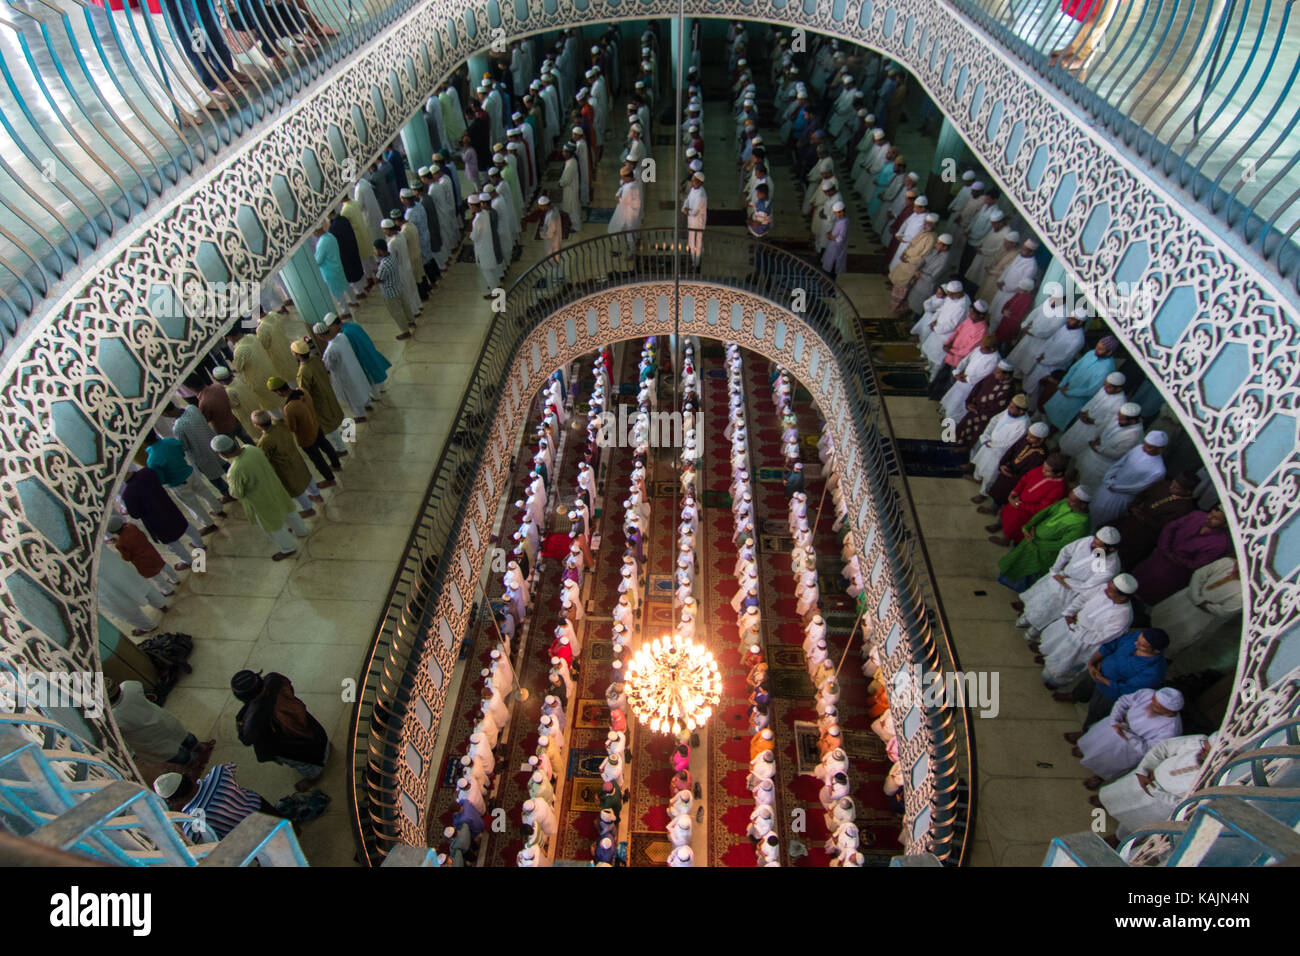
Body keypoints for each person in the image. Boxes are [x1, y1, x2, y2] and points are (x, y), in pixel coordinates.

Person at [212, 434, 310, 559]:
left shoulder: (235, 470)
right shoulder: (251, 448)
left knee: (273, 525)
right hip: (276, 488)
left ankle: (287, 548)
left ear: (223, 454)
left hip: (261, 500)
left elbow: (236, 493)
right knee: (289, 510)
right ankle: (301, 531)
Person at [230, 669, 330, 791]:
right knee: (320, 744)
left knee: (306, 763)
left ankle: (313, 778)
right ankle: (327, 750)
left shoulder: (255, 720)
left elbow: (247, 739)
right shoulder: (274, 679)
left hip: (296, 747)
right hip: (309, 727)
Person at [1097, 734, 1212, 838]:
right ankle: (1103, 803)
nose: (1201, 751)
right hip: (1147, 776)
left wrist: (1156, 792)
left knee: (1137, 821)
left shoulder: (1212, 780)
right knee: (1118, 794)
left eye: (1206, 752)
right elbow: (1164, 747)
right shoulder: (1199, 742)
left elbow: (1189, 805)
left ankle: (1119, 837)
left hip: (1160, 803)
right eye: (1203, 747)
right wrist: (1144, 769)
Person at [1038, 573, 1138, 688]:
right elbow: (1083, 598)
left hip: (1084, 643)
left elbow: (1098, 638)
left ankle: (1055, 682)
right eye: (1108, 587)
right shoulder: (1103, 588)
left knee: (1065, 665)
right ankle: (1048, 662)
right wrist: (1070, 612)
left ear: (1122, 597)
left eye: (1111, 591)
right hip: (1072, 626)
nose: (1105, 591)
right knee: (1054, 648)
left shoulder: (1123, 617)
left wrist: (1075, 627)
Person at [1058, 628, 1171, 728]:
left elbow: (1129, 688)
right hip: (1098, 671)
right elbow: (1111, 645)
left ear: (1156, 651)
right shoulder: (1137, 637)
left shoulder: (1155, 671)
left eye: (1142, 645)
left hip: (1111, 692)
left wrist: (1103, 679)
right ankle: (1075, 696)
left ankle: (1086, 732)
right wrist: (1093, 662)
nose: (1136, 644)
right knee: (1086, 685)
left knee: (1097, 711)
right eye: (1138, 640)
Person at [1075, 687, 1184, 788]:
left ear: (1169, 712)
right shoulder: (1147, 694)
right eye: (1152, 701)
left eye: (1156, 707)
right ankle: (1084, 751)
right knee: (1093, 742)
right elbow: (1123, 701)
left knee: (1110, 764)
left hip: (1128, 748)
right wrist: (1115, 719)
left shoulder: (1171, 729)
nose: (1150, 705)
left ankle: (1099, 777)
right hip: (1112, 727)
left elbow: (1149, 750)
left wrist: (1127, 734)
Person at [997, 486, 1094, 591]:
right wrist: (1027, 527)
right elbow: (1045, 513)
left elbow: (1063, 544)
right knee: (1015, 564)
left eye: (1072, 501)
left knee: (1029, 576)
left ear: (1083, 505)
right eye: (1069, 498)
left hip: (1044, 554)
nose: (1068, 501)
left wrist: (1036, 543)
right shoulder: (1064, 503)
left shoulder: (1081, 524)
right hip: (1030, 542)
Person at [154, 765, 285, 843]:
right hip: (262, 809)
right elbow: (231, 766)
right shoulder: (219, 772)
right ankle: (292, 829)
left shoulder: (193, 821)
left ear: (175, 801)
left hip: (249, 838)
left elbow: (188, 842)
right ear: (187, 777)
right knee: (284, 826)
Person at [1133, 507, 1231, 605]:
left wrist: (1174, 558)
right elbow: (1170, 527)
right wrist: (1165, 547)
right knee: (1137, 579)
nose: (1209, 518)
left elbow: (1197, 564)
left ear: (1225, 524)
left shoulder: (1220, 543)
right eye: (1210, 513)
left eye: (1216, 519)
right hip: (1159, 557)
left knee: (1150, 593)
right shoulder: (1196, 515)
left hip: (1175, 572)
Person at [1151, 557, 1242, 659]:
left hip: (1201, 617)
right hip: (1185, 599)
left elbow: (1223, 612)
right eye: (1237, 566)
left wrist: (1200, 603)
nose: (1235, 570)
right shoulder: (1226, 562)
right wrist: (1197, 598)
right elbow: (1199, 574)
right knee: (1160, 619)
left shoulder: (1244, 594)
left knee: (1175, 638)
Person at [108, 677, 213, 765]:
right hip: (163, 721)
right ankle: (201, 748)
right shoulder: (129, 687)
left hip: (150, 740)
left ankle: (195, 763)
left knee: (175, 754)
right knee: (184, 736)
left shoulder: (114, 717)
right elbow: (137, 685)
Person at [1090, 431, 1169, 529]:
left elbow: (1140, 487)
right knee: (1093, 508)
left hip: (1121, 498)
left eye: (1149, 447)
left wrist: (1117, 487)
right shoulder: (1138, 449)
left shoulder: (1158, 470)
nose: (1144, 448)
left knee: (1105, 519)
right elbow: (1120, 463)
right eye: (1145, 444)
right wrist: (1109, 477)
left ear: (1160, 449)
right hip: (1108, 485)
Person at [988, 453, 1068, 545]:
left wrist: (1019, 504)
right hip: (1018, 502)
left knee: (1016, 528)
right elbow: (1025, 479)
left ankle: (1007, 540)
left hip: (1028, 513)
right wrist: (1014, 492)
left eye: (1047, 471)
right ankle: (1000, 527)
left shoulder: (1059, 488)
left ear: (1059, 473)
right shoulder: (1042, 470)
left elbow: (1042, 508)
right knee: (1006, 514)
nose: (1042, 471)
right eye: (1043, 467)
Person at [251, 409, 320, 516]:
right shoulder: (280, 426)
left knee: (295, 488)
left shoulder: (265, 441)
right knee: (306, 476)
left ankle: (308, 509)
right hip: (296, 458)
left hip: (284, 468)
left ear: (256, 425)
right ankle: (316, 495)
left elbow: (264, 459)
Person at [373, 239, 417, 339]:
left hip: (390, 293)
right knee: (405, 306)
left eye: (375, 249)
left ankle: (405, 331)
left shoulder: (384, 265)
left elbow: (378, 280)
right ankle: (411, 321)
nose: (375, 252)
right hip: (398, 287)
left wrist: (373, 273)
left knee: (397, 312)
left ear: (380, 250)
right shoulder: (392, 256)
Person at [682, 171, 708, 268]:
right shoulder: (693, 189)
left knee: (698, 242)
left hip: (698, 222)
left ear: (700, 182)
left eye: (694, 181)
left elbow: (695, 210)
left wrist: (687, 211)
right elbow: (687, 200)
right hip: (691, 221)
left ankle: (697, 263)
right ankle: (693, 260)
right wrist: (685, 207)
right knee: (692, 242)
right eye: (692, 181)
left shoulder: (701, 195)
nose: (692, 183)